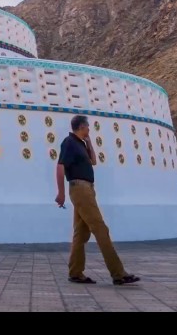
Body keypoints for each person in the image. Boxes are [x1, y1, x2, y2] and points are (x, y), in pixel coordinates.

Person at [54, 115, 141, 286]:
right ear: (81, 127)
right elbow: (60, 166)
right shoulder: (69, 142)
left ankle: (75, 272)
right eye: (87, 127)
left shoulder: (80, 144)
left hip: (87, 189)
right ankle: (118, 273)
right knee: (100, 228)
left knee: (81, 233)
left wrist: (89, 143)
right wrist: (61, 193)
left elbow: (93, 161)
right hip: (79, 188)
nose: (89, 130)